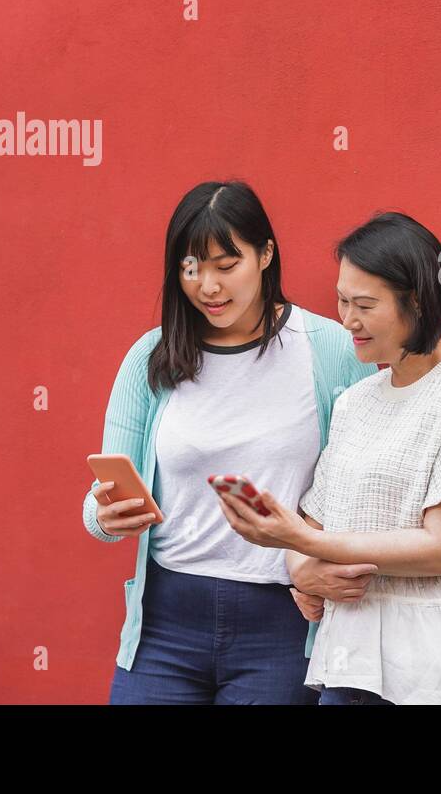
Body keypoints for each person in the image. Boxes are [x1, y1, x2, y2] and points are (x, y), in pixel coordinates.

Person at [81, 179, 378, 703]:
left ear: (265, 255)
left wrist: (325, 571)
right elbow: (106, 490)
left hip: (283, 623)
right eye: (191, 268)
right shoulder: (151, 358)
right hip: (164, 623)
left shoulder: (328, 349)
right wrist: (102, 516)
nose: (209, 286)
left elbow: (368, 484)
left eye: (226, 264)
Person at [219, 211, 441, 704]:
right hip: (351, 663)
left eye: (364, 305)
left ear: (419, 304)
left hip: (439, 667)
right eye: (342, 300)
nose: (347, 320)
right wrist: (300, 566)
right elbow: (316, 524)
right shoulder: (356, 401)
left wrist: (296, 537)